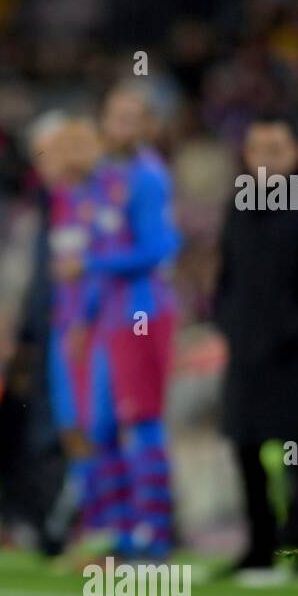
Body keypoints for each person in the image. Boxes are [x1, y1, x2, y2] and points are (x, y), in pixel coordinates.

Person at [215, 114, 298, 574]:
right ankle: (260, 546)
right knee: (246, 448)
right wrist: (227, 322)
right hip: (245, 348)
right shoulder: (240, 200)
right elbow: (227, 272)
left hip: (296, 350)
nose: (265, 160)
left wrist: (294, 329)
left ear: (295, 153)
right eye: (257, 150)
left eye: (276, 149)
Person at [59, 89, 181, 560]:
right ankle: (120, 528)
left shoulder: (149, 177)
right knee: (104, 425)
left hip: (144, 312)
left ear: (147, 125)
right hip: (110, 316)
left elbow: (160, 247)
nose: (122, 126)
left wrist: (90, 262)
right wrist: (83, 320)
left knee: (143, 420)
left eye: (133, 118)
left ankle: (156, 532)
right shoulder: (108, 178)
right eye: (115, 117)